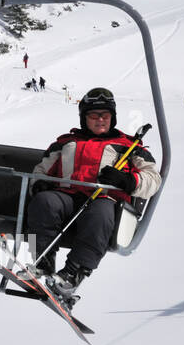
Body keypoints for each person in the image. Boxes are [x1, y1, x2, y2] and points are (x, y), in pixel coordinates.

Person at [24, 87, 161, 308]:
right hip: (67, 198)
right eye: (93, 115)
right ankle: (43, 261)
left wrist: (127, 181)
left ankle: (72, 274)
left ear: (113, 118)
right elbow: (39, 170)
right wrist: (39, 184)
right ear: (83, 118)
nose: (100, 120)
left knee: (101, 212)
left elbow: (153, 179)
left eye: (105, 115)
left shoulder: (128, 146)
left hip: (103, 201)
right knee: (45, 202)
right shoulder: (66, 142)